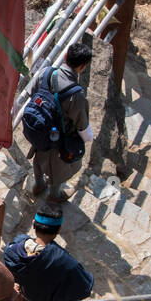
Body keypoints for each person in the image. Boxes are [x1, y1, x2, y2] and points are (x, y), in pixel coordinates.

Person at [23, 41, 94, 204]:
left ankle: (39, 185)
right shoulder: (76, 94)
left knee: (39, 158)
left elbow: (31, 94)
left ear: (65, 56)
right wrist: (88, 138)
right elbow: (82, 126)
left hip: (37, 129)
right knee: (58, 168)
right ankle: (54, 195)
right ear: (82, 67)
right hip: (57, 138)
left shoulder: (45, 73)